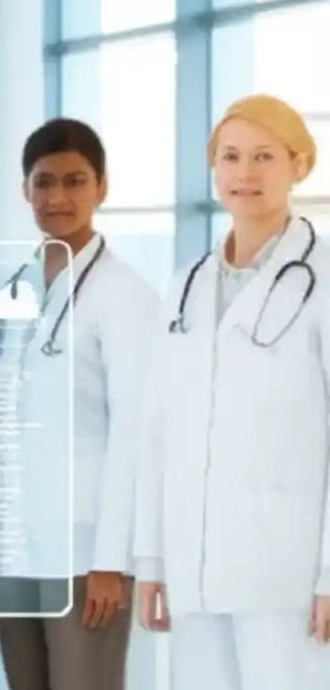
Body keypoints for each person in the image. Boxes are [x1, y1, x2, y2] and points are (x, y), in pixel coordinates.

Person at [134, 93, 330, 689]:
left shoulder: (320, 278)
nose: (245, 173)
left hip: (285, 575)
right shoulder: (185, 286)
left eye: (264, 156)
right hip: (194, 571)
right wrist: (152, 560)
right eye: (231, 156)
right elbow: (157, 431)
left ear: (299, 165)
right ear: (213, 168)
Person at [0, 118, 157, 690]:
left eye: (75, 181)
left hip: (85, 553)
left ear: (101, 187)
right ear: (26, 189)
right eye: (44, 182)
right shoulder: (16, 287)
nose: (57, 197)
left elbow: (135, 431)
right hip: (16, 545)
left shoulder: (124, 294)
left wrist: (113, 560)